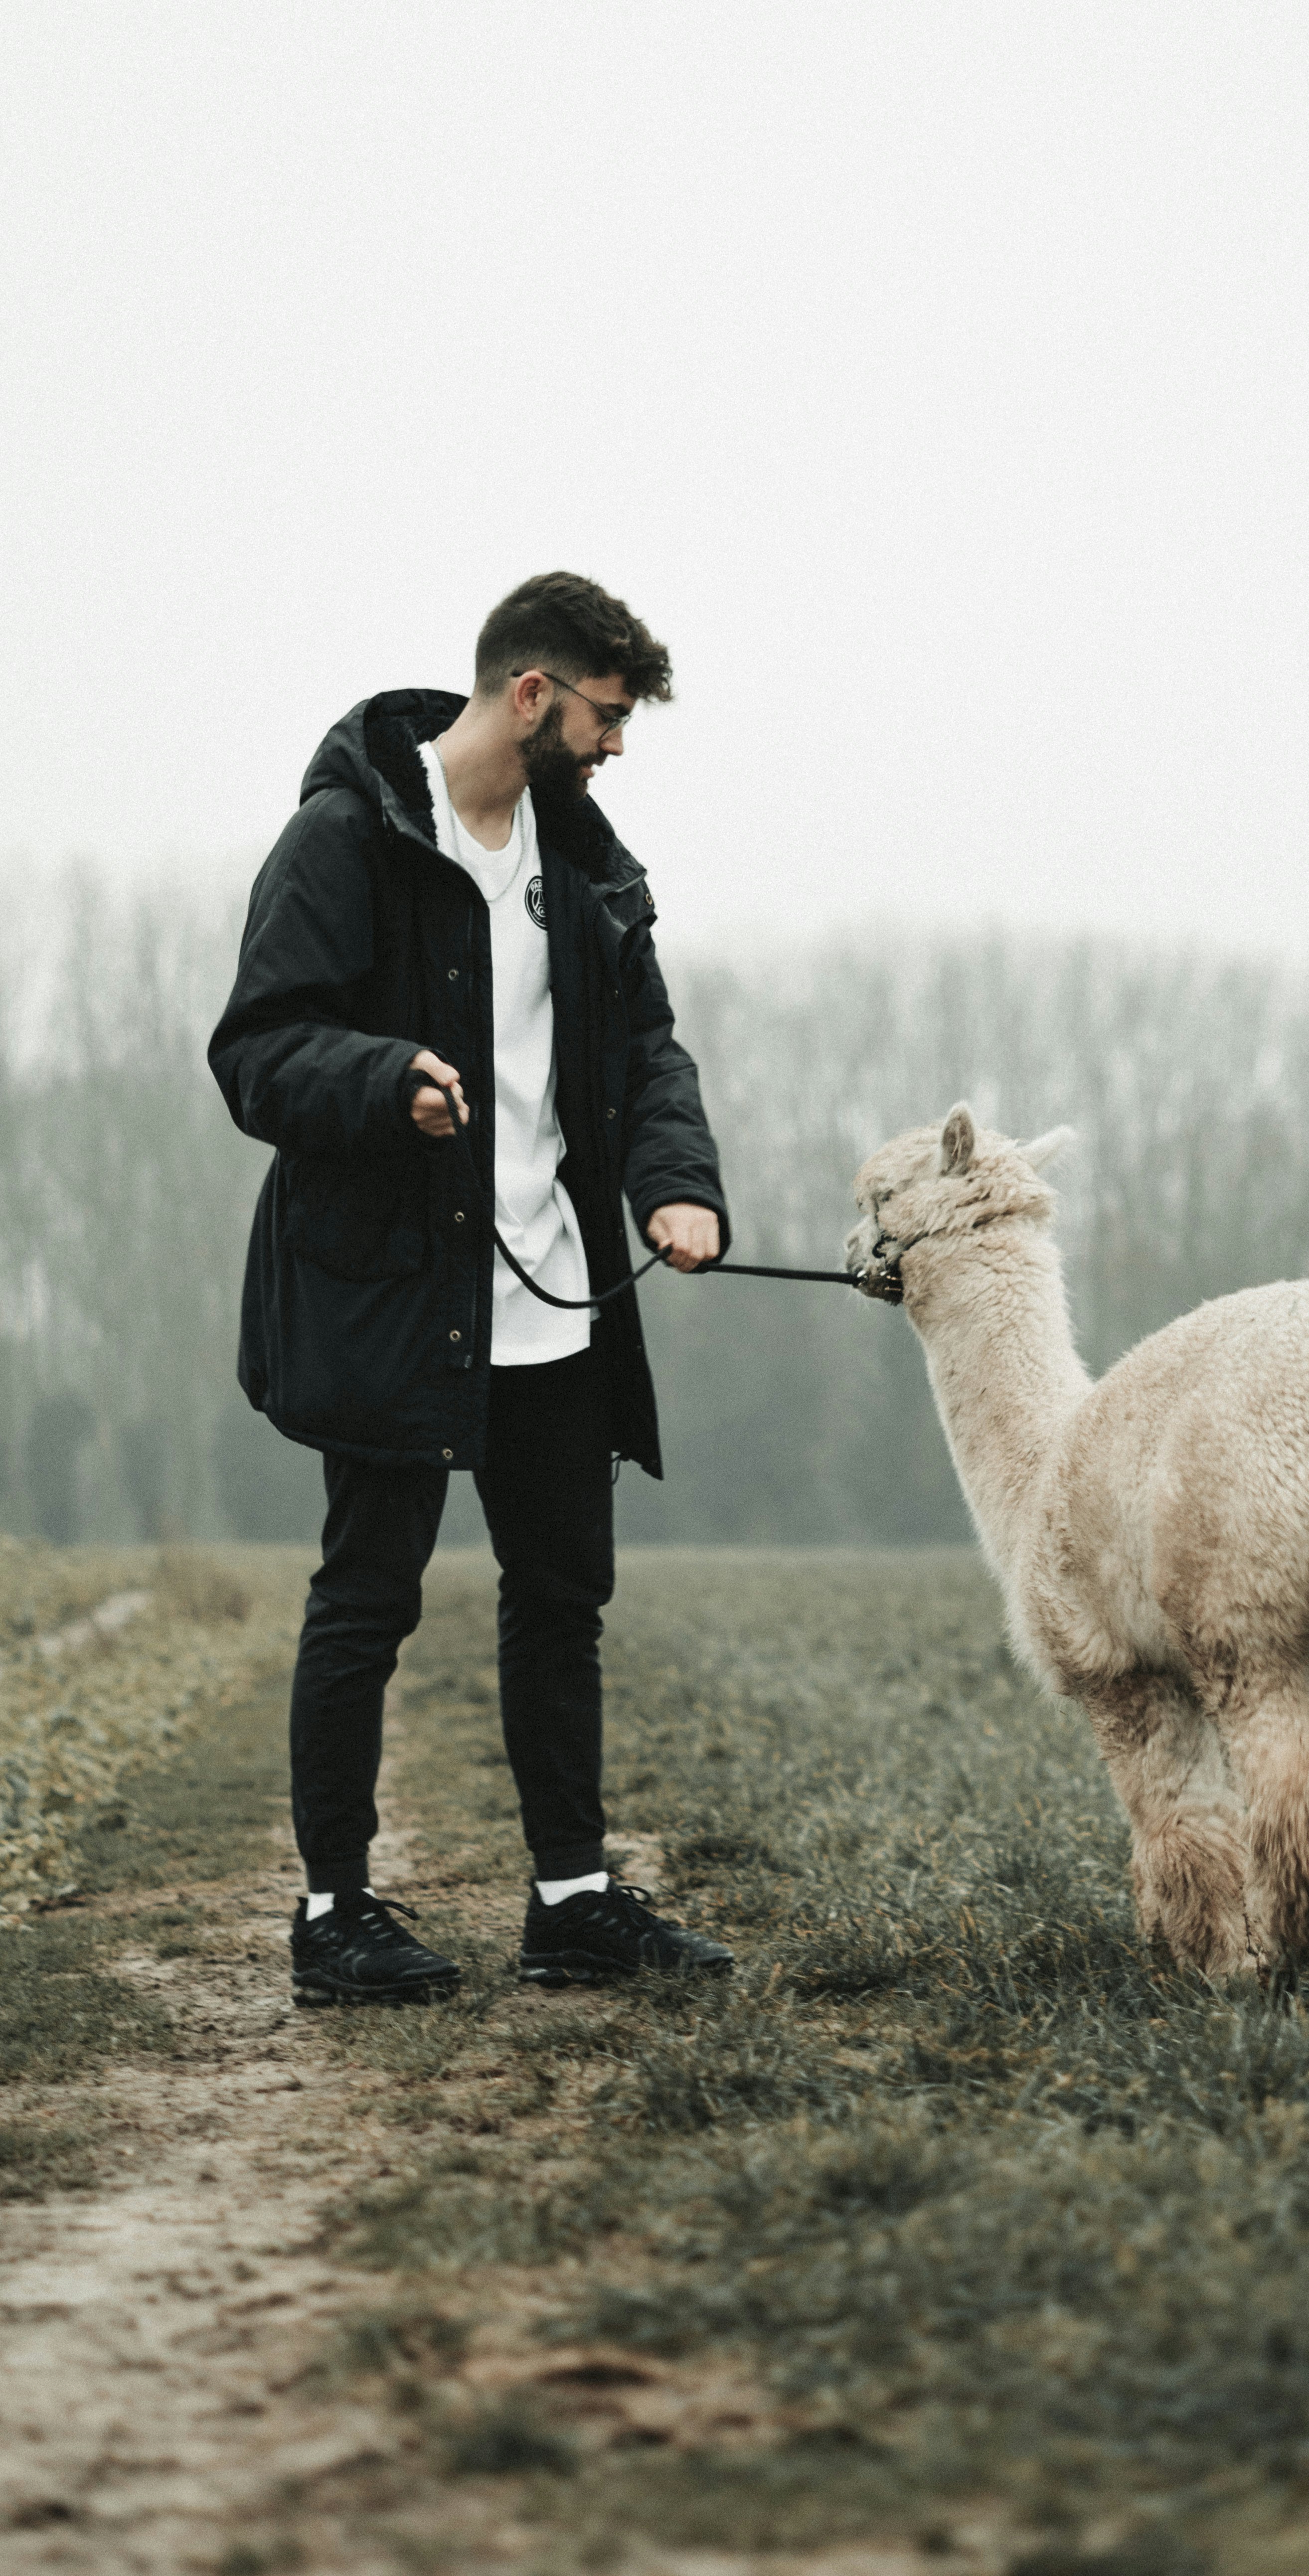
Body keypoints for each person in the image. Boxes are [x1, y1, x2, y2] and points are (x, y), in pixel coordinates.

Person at [209, 571, 734, 2004]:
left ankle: (572, 1903)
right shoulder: (345, 839)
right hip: (391, 1297)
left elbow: (648, 1052)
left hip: (556, 1299)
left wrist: (675, 1184)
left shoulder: (590, 866)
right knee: (367, 1601)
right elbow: (255, 1051)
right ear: (530, 695)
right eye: (607, 716)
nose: (618, 745)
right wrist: (387, 1082)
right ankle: (333, 1917)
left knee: (561, 1597)